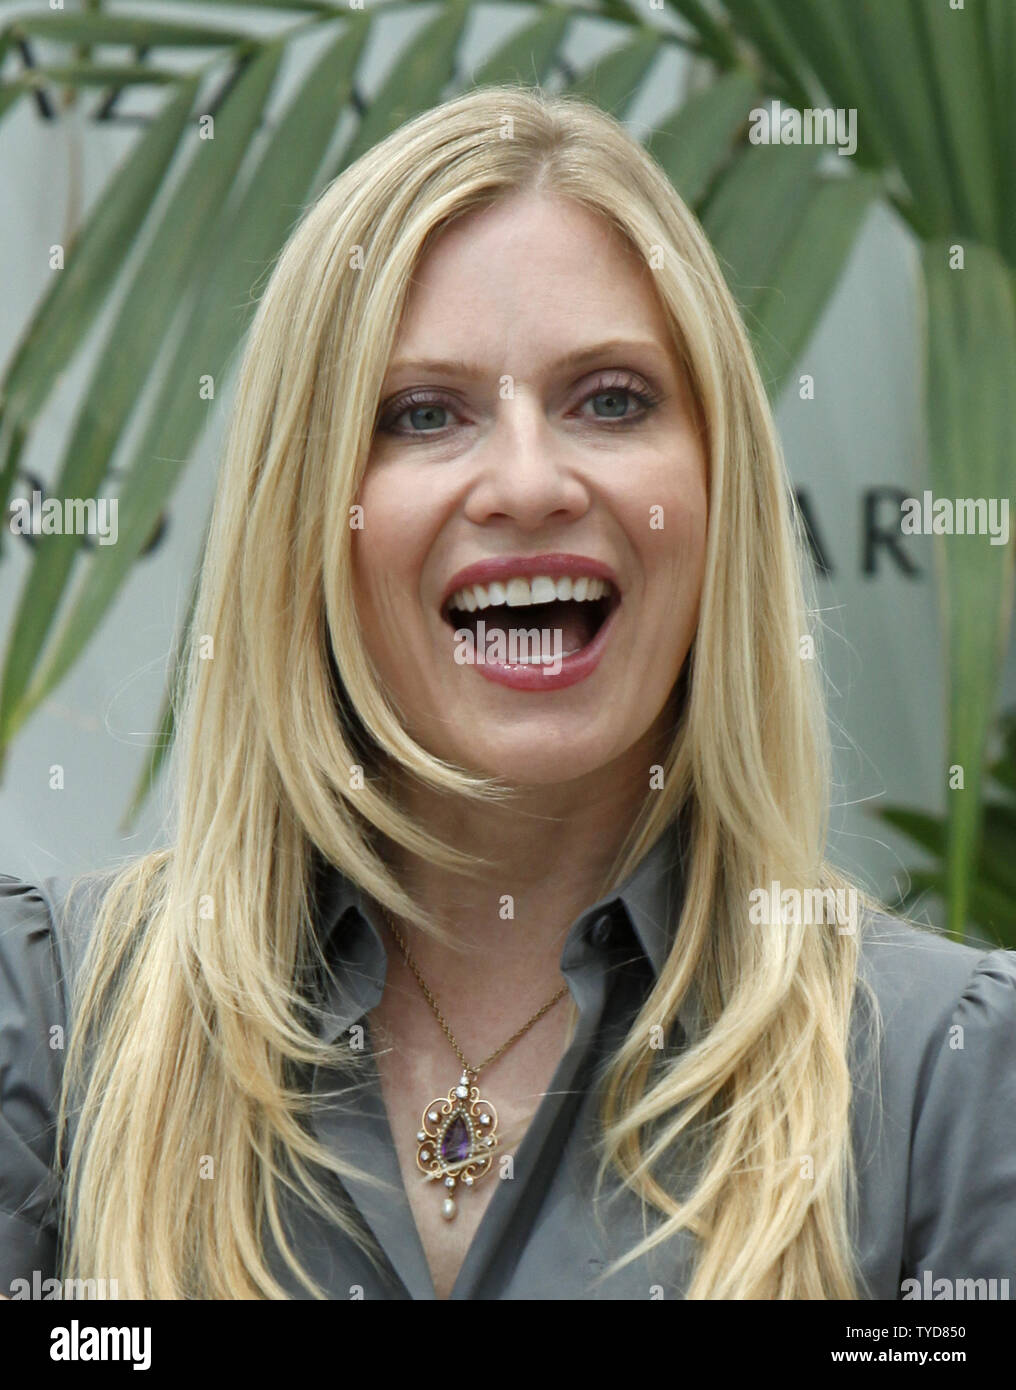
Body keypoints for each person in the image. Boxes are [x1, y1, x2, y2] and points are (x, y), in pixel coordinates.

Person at [1, 83, 1014, 1302]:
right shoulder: (53, 1030)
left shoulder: (946, 1076)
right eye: (423, 415)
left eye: (610, 399)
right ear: (303, 513)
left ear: (717, 488)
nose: (527, 483)